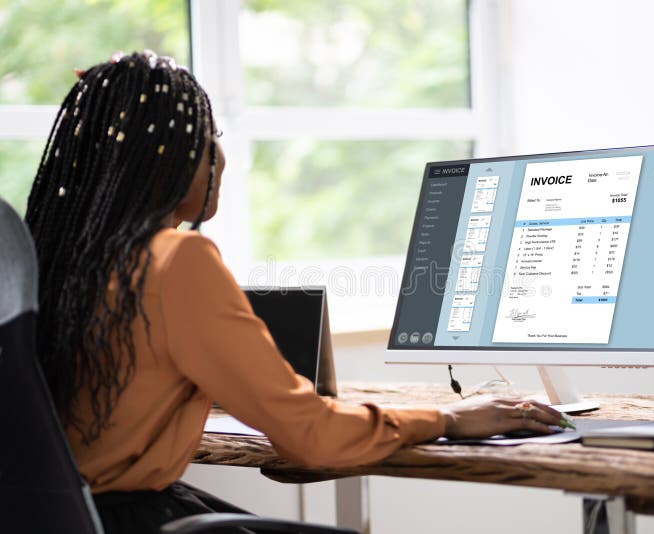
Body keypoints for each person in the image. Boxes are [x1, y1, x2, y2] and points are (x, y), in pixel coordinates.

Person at [24, 51, 566, 534]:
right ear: (164, 157)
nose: (221, 157)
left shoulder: (57, 260)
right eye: (211, 139)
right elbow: (312, 438)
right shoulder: (176, 260)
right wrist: (450, 418)